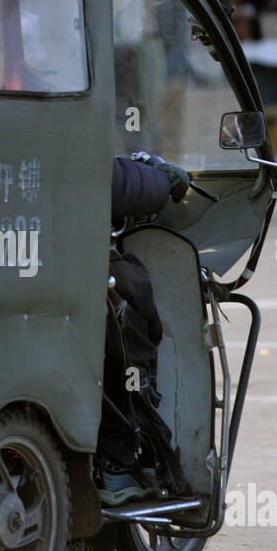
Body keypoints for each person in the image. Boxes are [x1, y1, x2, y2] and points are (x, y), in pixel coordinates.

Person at [96, 154, 191, 505]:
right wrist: (160, 179)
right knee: (129, 290)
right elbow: (105, 177)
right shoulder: (47, 128)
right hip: (63, 271)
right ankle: (119, 462)